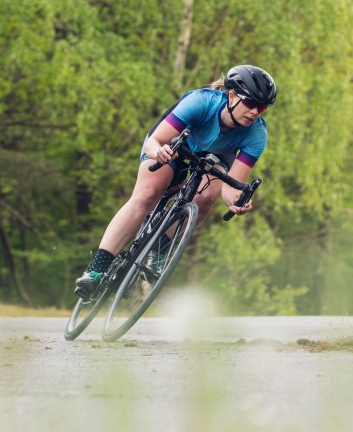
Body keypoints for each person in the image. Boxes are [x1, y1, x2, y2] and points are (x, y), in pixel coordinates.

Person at [74, 64, 277, 298]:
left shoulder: (257, 134)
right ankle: (96, 270)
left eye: (261, 108)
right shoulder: (201, 102)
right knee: (147, 194)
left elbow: (233, 184)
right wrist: (157, 152)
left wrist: (237, 201)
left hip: (216, 156)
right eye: (251, 103)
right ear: (231, 96)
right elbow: (155, 141)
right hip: (173, 144)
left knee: (207, 197)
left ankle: (159, 250)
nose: (255, 112)